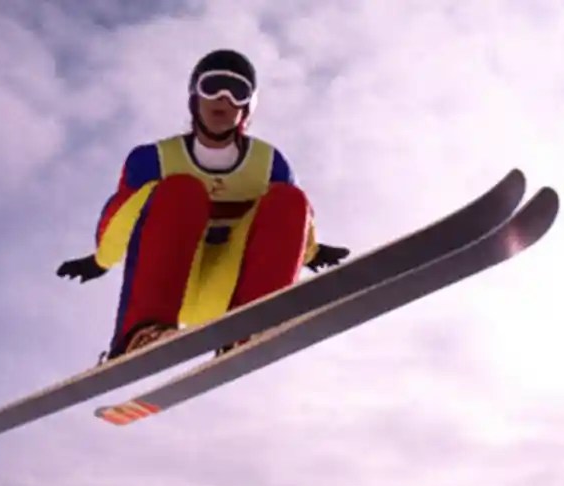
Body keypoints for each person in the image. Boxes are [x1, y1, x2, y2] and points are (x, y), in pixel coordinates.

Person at [57, 49, 349, 361]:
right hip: (171, 286)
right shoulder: (154, 159)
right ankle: (142, 333)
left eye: (236, 91)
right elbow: (120, 215)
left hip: (231, 288)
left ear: (246, 108)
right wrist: (102, 260)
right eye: (212, 87)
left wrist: (311, 252)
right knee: (182, 189)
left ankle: (251, 326)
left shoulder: (268, 163)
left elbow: (294, 217)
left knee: (289, 197)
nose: (222, 99)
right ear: (195, 97)